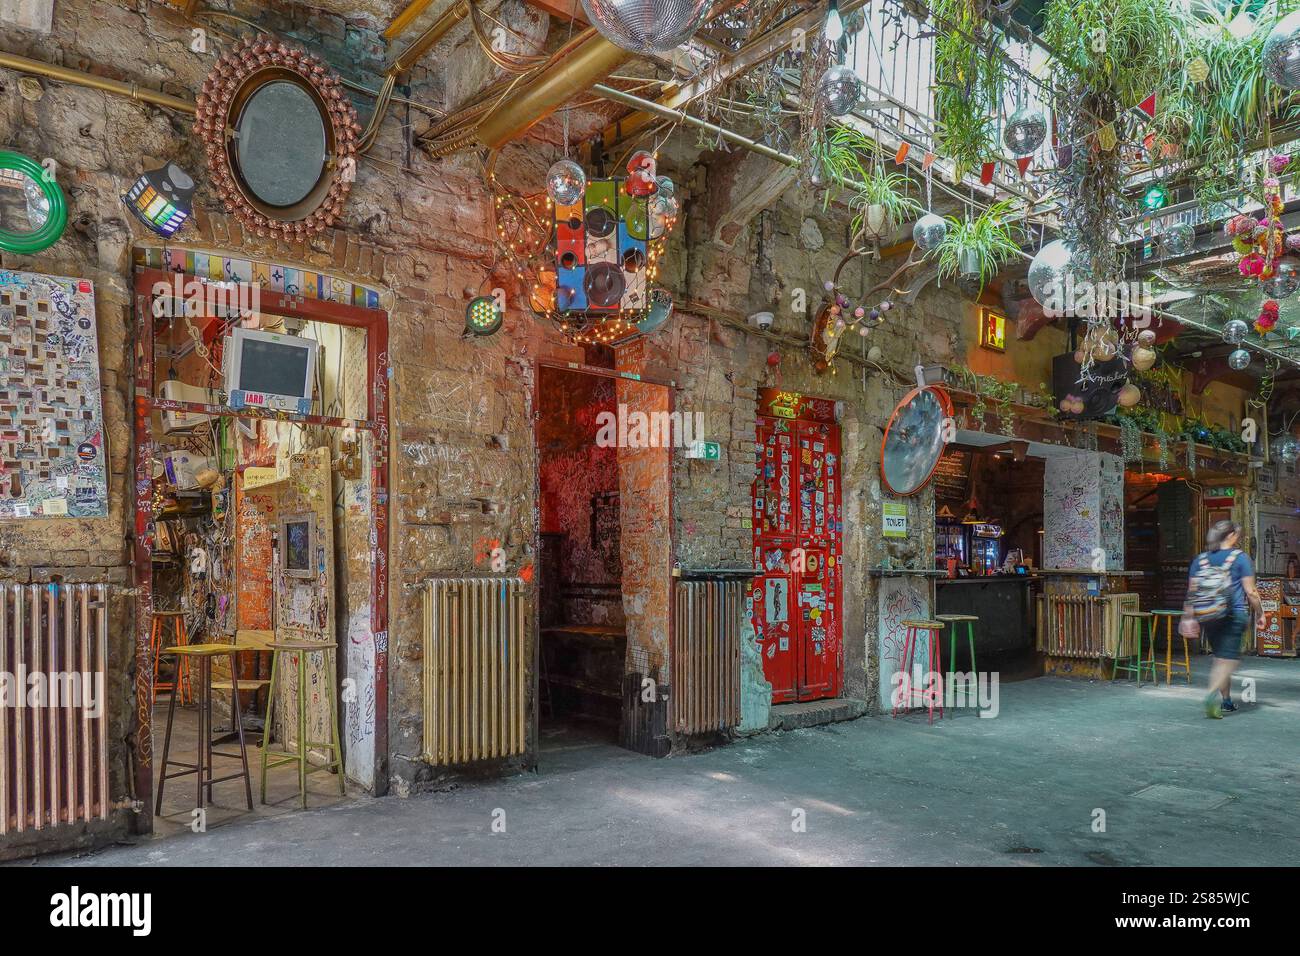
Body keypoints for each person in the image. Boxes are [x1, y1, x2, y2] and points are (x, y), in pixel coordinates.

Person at [1180, 520, 1263, 718]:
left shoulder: (1200, 560)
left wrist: (1187, 618)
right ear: (1230, 536)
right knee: (1229, 660)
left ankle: (1226, 701)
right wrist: (1261, 612)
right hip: (1233, 614)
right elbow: (1251, 592)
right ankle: (1210, 695)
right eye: (1237, 535)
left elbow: (1191, 593)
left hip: (1208, 615)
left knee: (1220, 658)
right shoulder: (1241, 558)